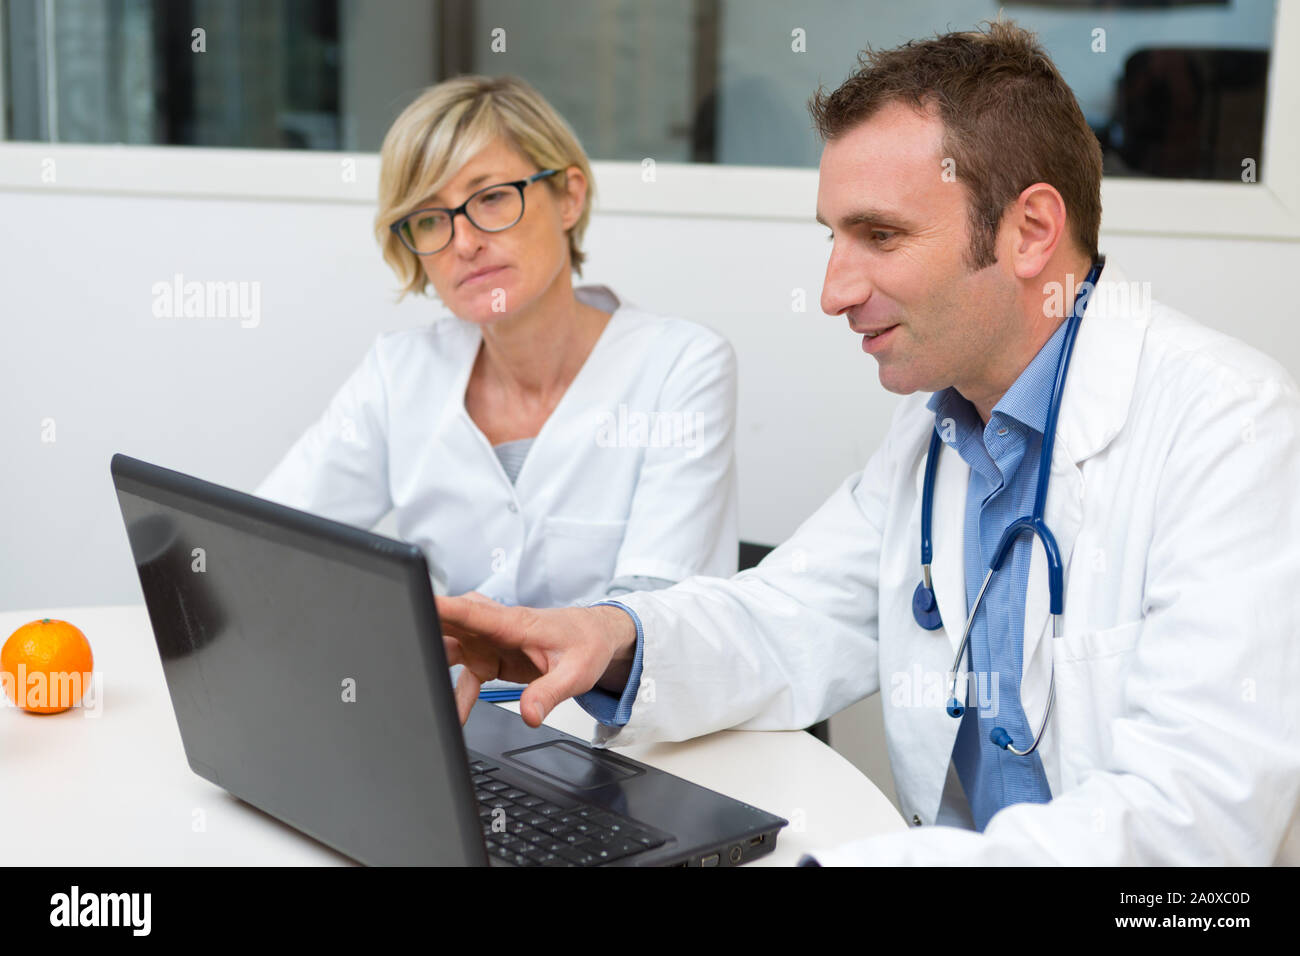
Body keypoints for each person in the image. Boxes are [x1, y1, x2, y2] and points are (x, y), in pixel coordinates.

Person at [434, 22, 1300, 865]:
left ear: (1032, 231)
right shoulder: (940, 423)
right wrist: (608, 637)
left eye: (880, 236)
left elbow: (1197, 822)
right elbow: (787, 617)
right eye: (832, 237)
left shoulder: (1231, 429)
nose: (832, 291)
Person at [256, 76, 739, 668]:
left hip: (624, 734)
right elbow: (265, 542)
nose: (463, 242)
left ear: (568, 196)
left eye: (490, 198)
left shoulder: (679, 367)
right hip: (462, 720)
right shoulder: (401, 372)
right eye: (430, 219)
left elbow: (656, 621)